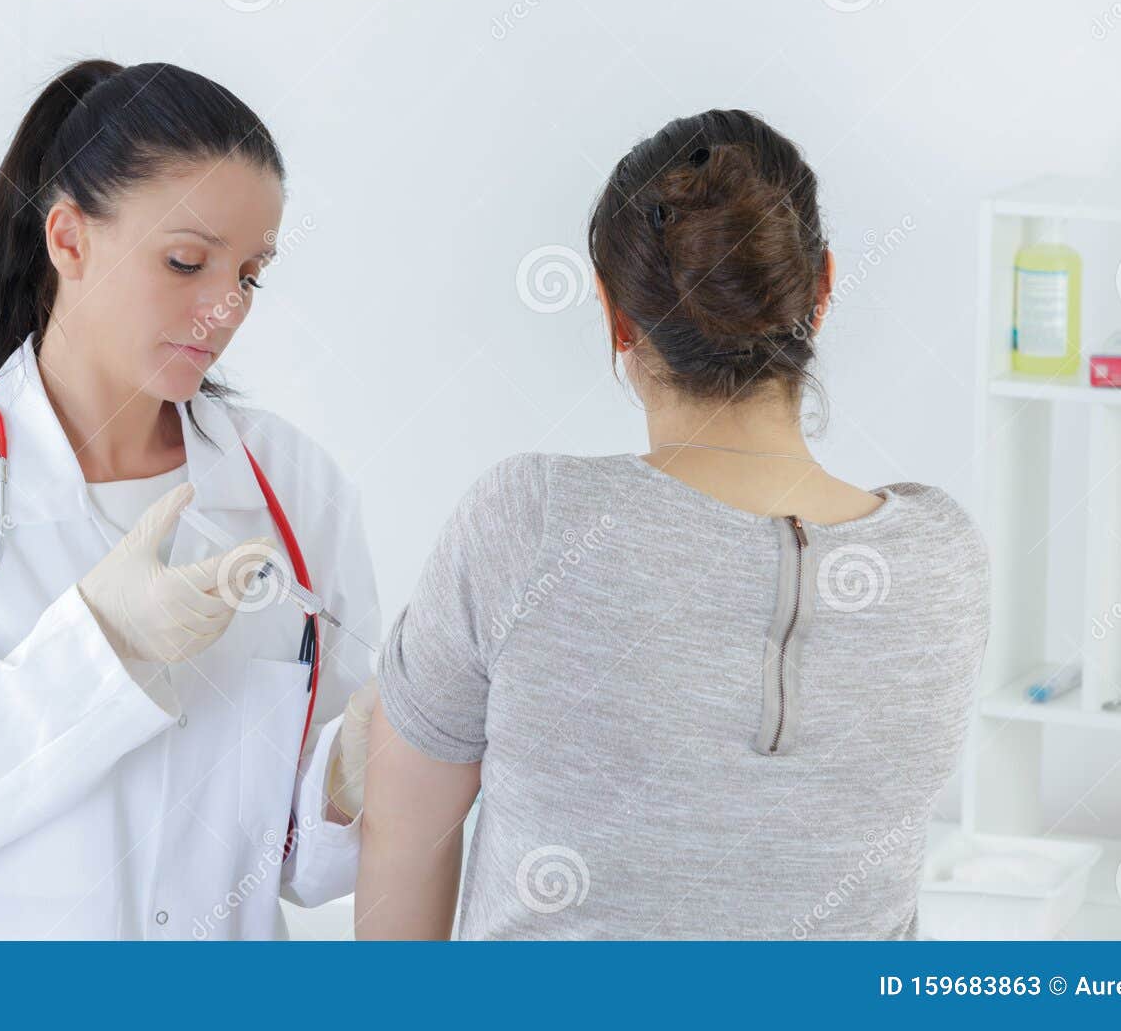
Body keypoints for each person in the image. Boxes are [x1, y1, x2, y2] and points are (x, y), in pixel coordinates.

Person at [0, 60, 379, 939]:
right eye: (186, 262)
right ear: (68, 239)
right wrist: (100, 644)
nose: (224, 309)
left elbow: (291, 854)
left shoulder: (291, 485)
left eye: (251, 273)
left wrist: (351, 773)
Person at [357, 109, 990, 939]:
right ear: (823, 290)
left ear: (617, 319)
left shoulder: (528, 522)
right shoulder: (944, 558)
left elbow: (403, 837)